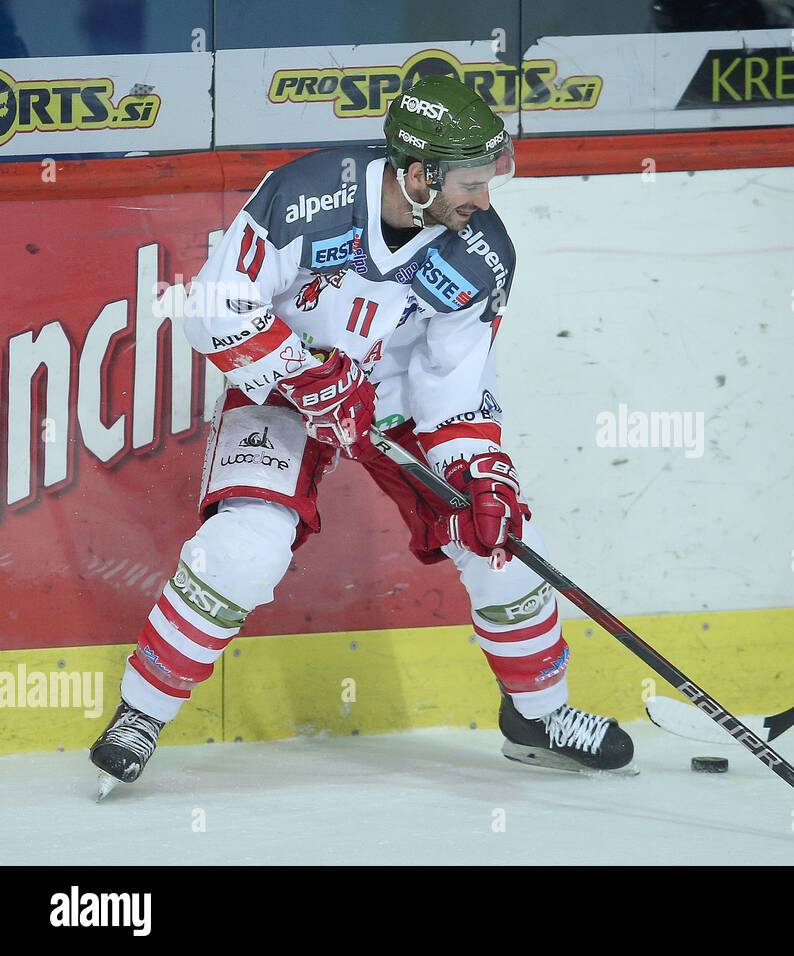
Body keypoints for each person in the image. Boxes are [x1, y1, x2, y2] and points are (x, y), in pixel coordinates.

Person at [90, 75, 633, 792]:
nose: (484, 202)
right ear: (417, 174)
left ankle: (537, 719)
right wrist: (304, 372)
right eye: (469, 184)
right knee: (245, 549)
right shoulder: (306, 194)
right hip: (284, 387)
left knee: (502, 544)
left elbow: (454, 385)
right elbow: (215, 309)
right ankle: (140, 714)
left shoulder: (482, 254)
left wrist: (479, 469)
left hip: (396, 402)